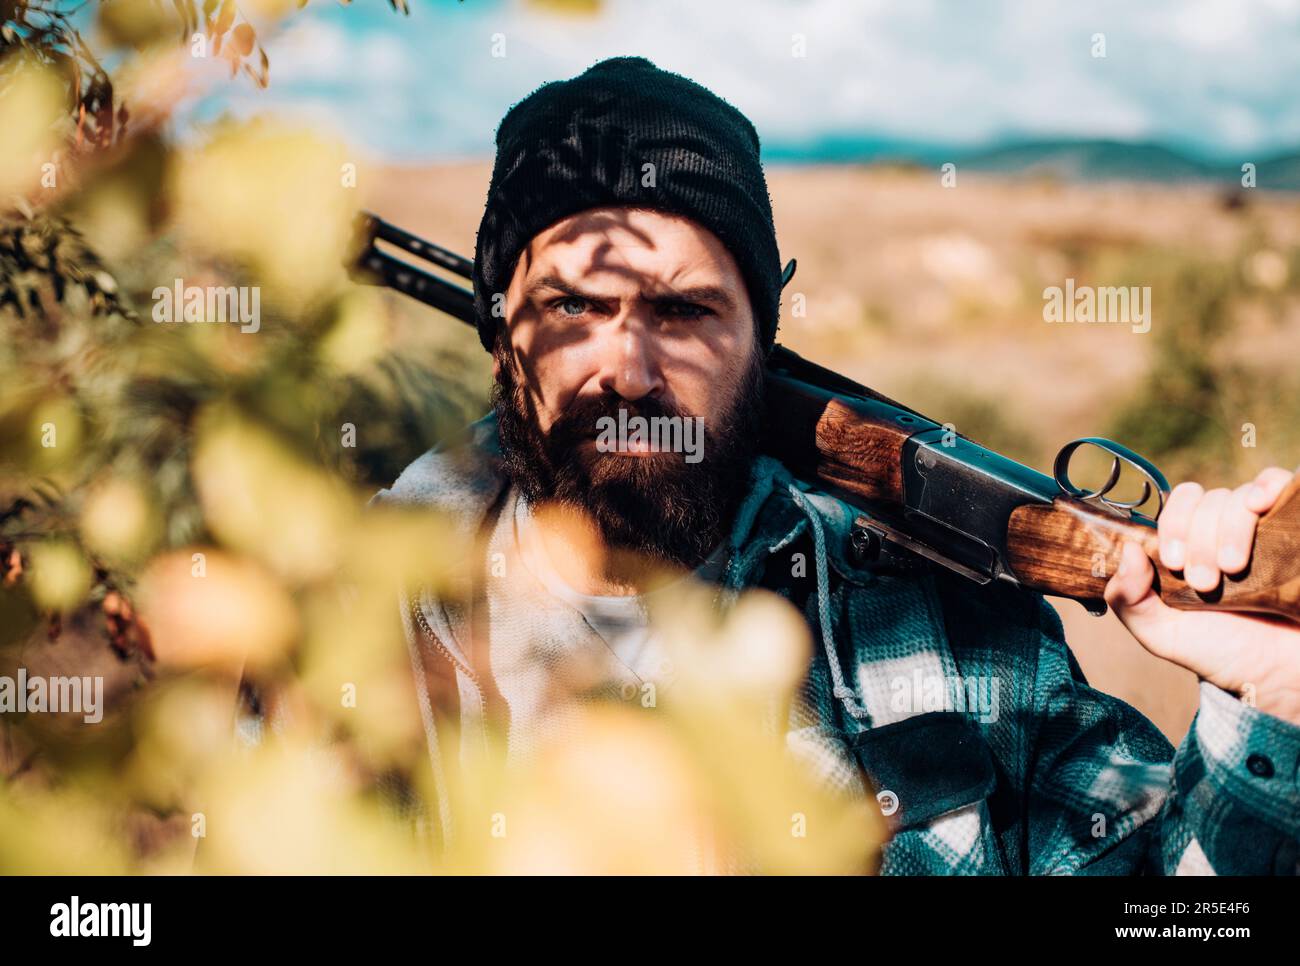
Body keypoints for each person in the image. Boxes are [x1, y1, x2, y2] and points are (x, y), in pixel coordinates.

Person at [373, 56, 1300, 874]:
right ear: (502, 336)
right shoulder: (348, 618)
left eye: (687, 311)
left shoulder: (947, 628)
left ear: (760, 341)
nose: (628, 370)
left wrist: (1273, 698)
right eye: (574, 306)